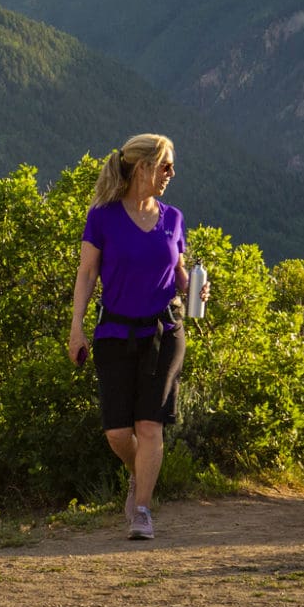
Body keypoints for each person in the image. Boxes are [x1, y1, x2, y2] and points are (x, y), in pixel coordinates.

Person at [68, 133, 203, 541]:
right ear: (143, 167)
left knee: (149, 426)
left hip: (164, 331)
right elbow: (87, 273)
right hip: (114, 331)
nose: (172, 173)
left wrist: (193, 289)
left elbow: (178, 272)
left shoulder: (173, 218)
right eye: (165, 166)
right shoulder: (102, 216)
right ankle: (138, 474)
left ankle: (142, 510)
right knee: (116, 431)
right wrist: (76, 327)